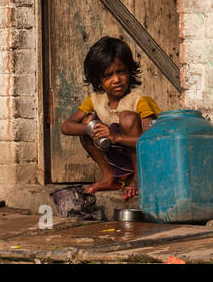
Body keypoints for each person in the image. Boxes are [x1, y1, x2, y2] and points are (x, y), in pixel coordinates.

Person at [60, 36, 160, 199]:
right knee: (88, 124)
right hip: (118, 162)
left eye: (121, 72)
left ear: (129, 71)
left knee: (127, 118)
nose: (116, 80)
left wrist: (116, 137)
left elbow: (150, 140)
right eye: (108, 75)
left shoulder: (139, 100)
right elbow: (66, 126)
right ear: (98, 79)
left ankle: (138, 179)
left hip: (144, 164)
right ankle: (109, 177)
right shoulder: (96, 99)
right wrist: (90, 128)